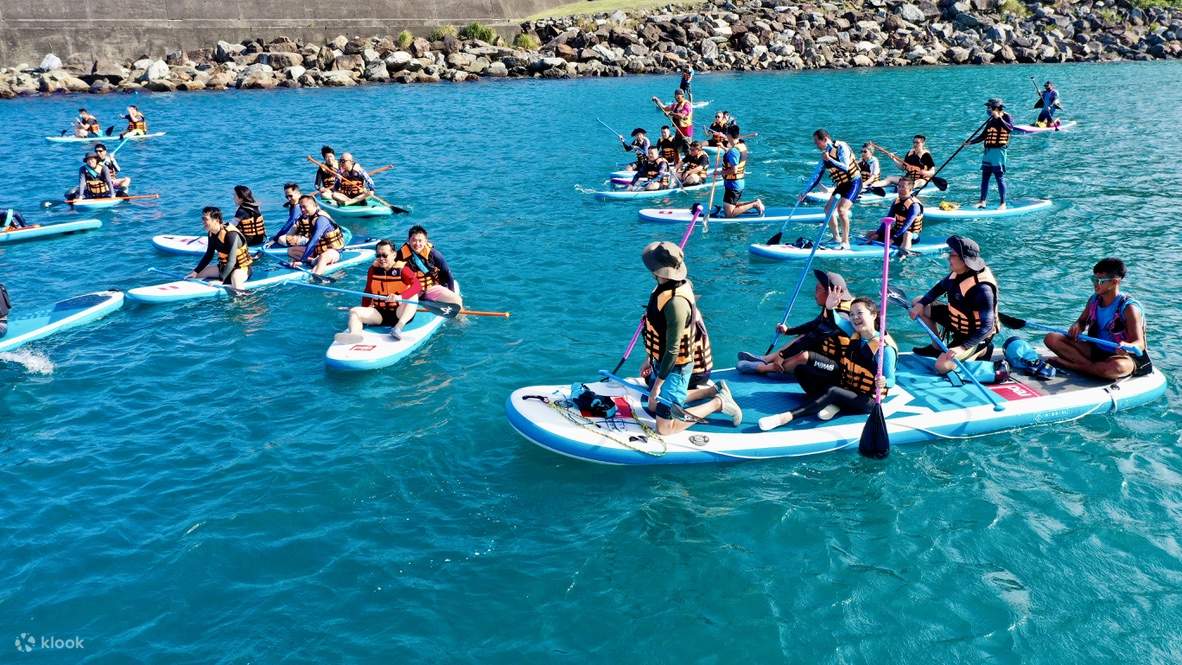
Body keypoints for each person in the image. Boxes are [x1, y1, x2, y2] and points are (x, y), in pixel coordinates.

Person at [638, 241, 741, 434]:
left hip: (677, 368)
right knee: (653, 406)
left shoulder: (676, 303)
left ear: (658, 271)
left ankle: (719, 402)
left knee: (664, 429)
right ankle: (711, 391)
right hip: (663, 362)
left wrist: (657, 386)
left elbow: (673, 350)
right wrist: (649, 359)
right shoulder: (661, 288)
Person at [759, 297, 897, 430]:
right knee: (801, 370)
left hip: (867, 399)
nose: (855, 317)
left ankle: (787, 417)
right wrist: (830, 308)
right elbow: (836, 321)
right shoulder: (854, 333)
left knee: (832, 391)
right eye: (852, 314)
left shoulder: (885, 348)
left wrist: (883, 382)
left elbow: (891, 380)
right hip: (847, 386)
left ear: (873, 315)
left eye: (860, 313)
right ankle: (834, 402)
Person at [1044, 257, 1152, 380]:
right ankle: (1089, 367)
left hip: (1122, 357)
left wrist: (1127, 345)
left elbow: (1139, 344)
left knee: (1116, 367)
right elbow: (1081, 321)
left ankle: (1074, 365)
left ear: (1115, 282)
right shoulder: (1094, 300)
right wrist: (1077, 326)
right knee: (1051, 338)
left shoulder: (1129, 308)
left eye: (1100, 281)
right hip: (1096, 350)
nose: (1095, 284)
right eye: (1094, 279)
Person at [737, 270, 853, 380]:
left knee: (804, 356)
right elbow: (814, 325)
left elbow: (813, 337)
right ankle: (765, 359)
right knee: (802, 336)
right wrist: (789, 331)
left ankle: (762, 368)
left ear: (830, 293)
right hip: (826, 351)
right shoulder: (832, 306)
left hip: (838, 366)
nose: (815, 293)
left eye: (818, 289)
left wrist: (783, 355)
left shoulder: (842, 316)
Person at [908, 235, 999, 374]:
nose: (948, 257)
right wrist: (921, 304)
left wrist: (962, 348)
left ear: (965, 260)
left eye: (952, 254)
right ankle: (937, 347)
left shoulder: (982, 289)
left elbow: (987, 327)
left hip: (974, 334)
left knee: (941, 366)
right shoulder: (958, 272)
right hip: (956, 320)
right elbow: (939, 288)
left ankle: (983, 350)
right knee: (918, 302)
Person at [337, 240, 422, 343]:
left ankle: (398, 328)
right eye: (378, 255)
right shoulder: (373, 270)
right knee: (354, 311)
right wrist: (365, 311)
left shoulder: (403, 270)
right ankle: (354, 335)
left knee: (413, 296)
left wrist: (401, 297)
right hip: (380, 313)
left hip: (399, 313)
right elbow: (367, 292)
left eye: (385, 255)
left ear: (394, 254)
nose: (381, 259)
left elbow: (417, 286)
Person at [800, 129, 862, 250]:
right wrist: (804, 192)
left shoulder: (841, 147)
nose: (816, 145)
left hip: (854, 182)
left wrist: (830, 160)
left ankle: (845, 242)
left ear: (825, 139)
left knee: (842, 210)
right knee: (828, 208)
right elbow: (816, 176)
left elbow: (845, 167)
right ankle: (836, 238)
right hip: (842, 184)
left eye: (817, 142)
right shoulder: (825, 154)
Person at [187, 207, 253, 290]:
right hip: (224, 268)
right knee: (197, 275)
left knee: (235, 281)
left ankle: (247, 300)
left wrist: (221, 280)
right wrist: (195, 271)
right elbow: (209, 255)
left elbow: (232, 261)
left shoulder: (231, 234)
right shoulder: (211, 233)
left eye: (205, 219)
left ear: (216, 220)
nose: (203, 222)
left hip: (241, 269)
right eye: (202, 219)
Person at [397, 225, 462, 306]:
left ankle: (461, 317)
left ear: (425, 241)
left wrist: (451, 293)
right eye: (414, 240)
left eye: (420, 241)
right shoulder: (399, 255)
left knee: (456, 300)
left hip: (430, 289)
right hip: (411, 291)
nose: (417, 244)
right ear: (408, 240)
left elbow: (447, 274)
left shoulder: (434, 255)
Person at [970, 99, 1014, 209]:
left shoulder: (1006, 117)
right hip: (988, 151)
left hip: (998, 151)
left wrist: (998, 118)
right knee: (985, 176)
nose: (987, 109)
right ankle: (982, 201)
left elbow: (1010, 129)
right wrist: (970, 142)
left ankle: (1003, 203)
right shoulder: (990, 120)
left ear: (995, 108)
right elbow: (983, 136)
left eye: (989, 107)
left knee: (999, 177)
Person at [288, 195, 345, 275]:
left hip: (333, 252)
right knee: (291, 251)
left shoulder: (321, 219)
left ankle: (315, 277)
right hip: (318, 251)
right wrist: (297, 260)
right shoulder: (310, 217)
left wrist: (302, 260)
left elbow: (314, 240)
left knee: (323, 257)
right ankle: (314, 261)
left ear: (313, 205)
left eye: (304, 207)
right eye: (301, 207)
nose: (302, 210)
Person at [864, 178, 923, 253]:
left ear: (910, 189)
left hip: (912, 235)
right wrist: (878, 234)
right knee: (870, 233)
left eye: (903, 187)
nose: (900, 189)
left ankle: (903, 255)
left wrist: (893, 239)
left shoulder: (914, 205)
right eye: (899, 186)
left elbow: (907, 225)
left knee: (907, 235)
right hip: (897, 233)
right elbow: (887, 219)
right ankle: (864, 248)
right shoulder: (896, 201)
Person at [719, 126, 763, 217]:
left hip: (733, 184)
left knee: (729, 214)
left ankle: (755, 204)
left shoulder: (733, 151)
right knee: (729, 206)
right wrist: (724, 148)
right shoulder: (741, 146)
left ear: (729, 135)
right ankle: (755, 203)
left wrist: (719, 173)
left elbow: (734, 170)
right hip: (736, 182)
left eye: (726, 134)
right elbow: (734, 155)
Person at [270, 183, 306, 248]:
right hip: (303, 232)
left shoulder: (298, 207)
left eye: (290, 196)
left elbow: (289, 224)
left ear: (298, 193)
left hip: (308, 237)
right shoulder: (303, 201)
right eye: (286, 197)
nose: (289, 199)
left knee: (280, 239)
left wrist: (274, 239)